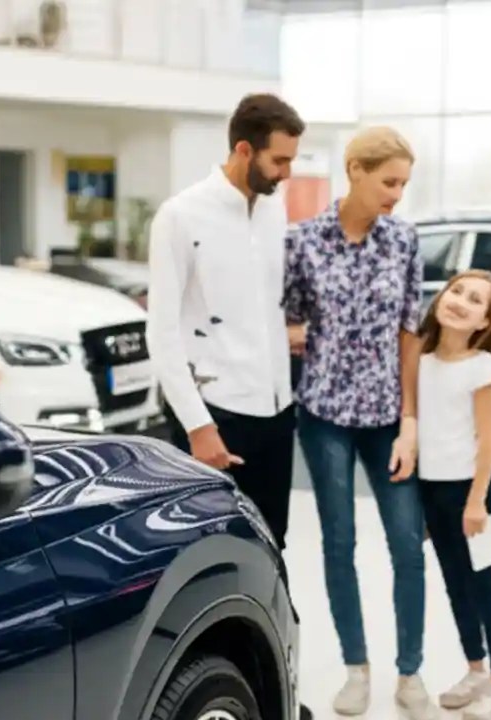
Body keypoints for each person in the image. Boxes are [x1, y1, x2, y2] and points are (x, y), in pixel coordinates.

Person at [283, 126, 436, 718]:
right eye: (389, 181)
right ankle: (356, 668)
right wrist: (306, 338)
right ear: (356, 171)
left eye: (404, 183)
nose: (397, 194)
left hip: (385, 417)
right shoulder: (302, 242)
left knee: (407, 546)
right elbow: (289, 320)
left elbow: (409, 333)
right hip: (322, 415)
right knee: (338, 542)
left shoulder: (403, 240)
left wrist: (411, 419)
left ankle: (410, 671)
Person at [145, 93, 305, 550]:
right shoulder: (180, 215)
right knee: (212, 550)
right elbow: (162, 331)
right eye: (280, 160)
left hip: (276, 412)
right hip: (217, 416)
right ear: (243, 150)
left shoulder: (274, 209)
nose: (287, 173)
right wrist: (198, 426)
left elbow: (265, 305)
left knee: (273, 543)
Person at [417, 269, 491, 720]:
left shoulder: (482, 367)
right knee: (455, 586)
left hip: (472, 493)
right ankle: (475, 669)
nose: (460, 301)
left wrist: (477, 501)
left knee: (483, 587)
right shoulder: (419, 359)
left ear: (484, 322)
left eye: (475, 300)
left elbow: (489, 443)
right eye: (457, 290)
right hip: (431, 493)